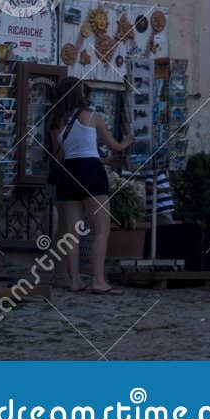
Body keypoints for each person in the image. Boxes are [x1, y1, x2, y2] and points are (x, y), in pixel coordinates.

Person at [46, 79, 133, 294]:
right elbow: (115, 145)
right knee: (101, 230)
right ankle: (98, 281)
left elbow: (62, 154)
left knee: (71, 233)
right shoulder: (91, 116)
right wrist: (128, 141)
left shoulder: (56, 121)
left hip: (68, 173)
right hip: (91, 173)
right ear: (79, 94)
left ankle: (74, 280)